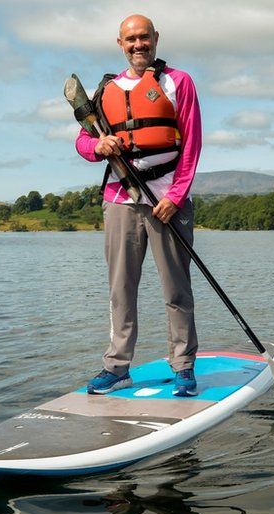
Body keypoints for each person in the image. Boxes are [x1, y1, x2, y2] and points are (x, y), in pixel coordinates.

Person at [75, 14, 202, 397]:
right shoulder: (105, 90)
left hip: (167, 203)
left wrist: (175, 197)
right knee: (121, 289)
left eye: (144, 38)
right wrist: (98, 145)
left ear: (156, 39)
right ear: (120, 43)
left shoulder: (178, 82)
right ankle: (117, 368)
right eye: (130, 39)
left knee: (176, 289)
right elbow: (82, 142)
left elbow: (192, 145)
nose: (138, 45)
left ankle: (183, 367)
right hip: (119, 201)